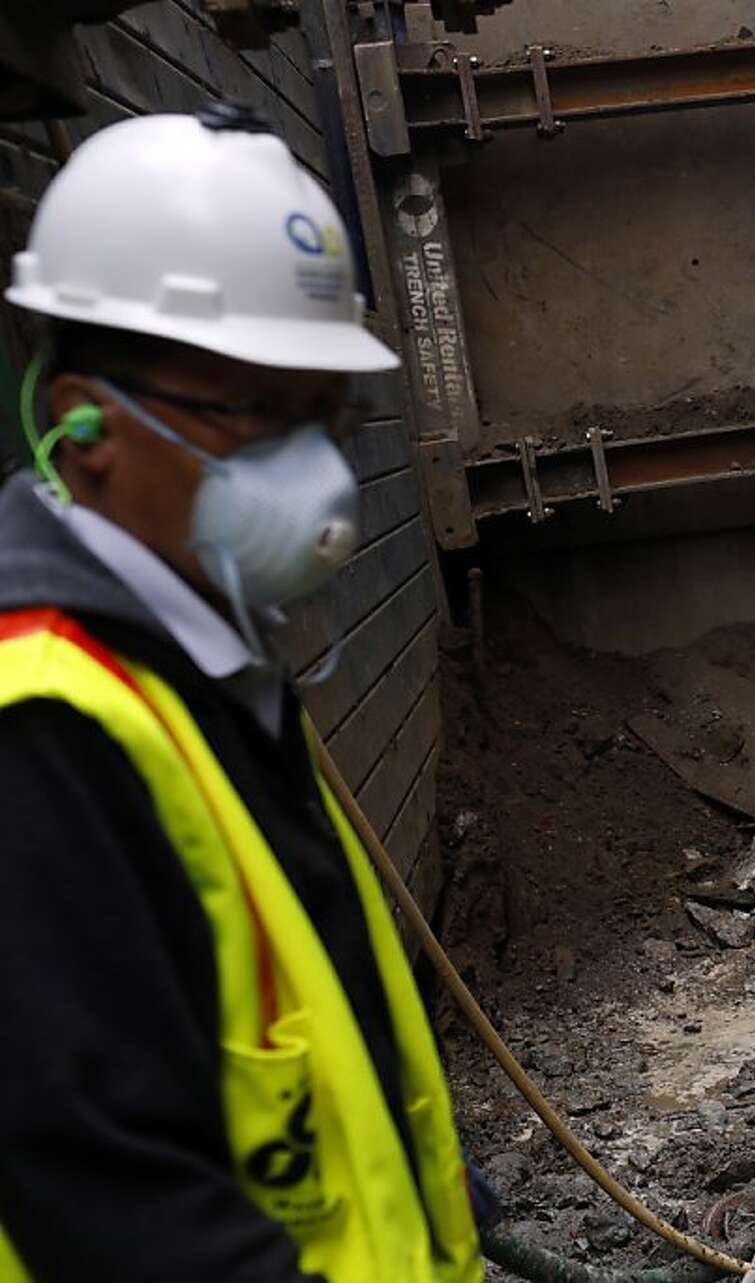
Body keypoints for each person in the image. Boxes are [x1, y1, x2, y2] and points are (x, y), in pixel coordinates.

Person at [0, 108, 482, 1280]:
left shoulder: (201, 663)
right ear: (84, 423)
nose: (309, 466)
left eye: (322, 415)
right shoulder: (42, 729)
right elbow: (116, 1210)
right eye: (251, 411)